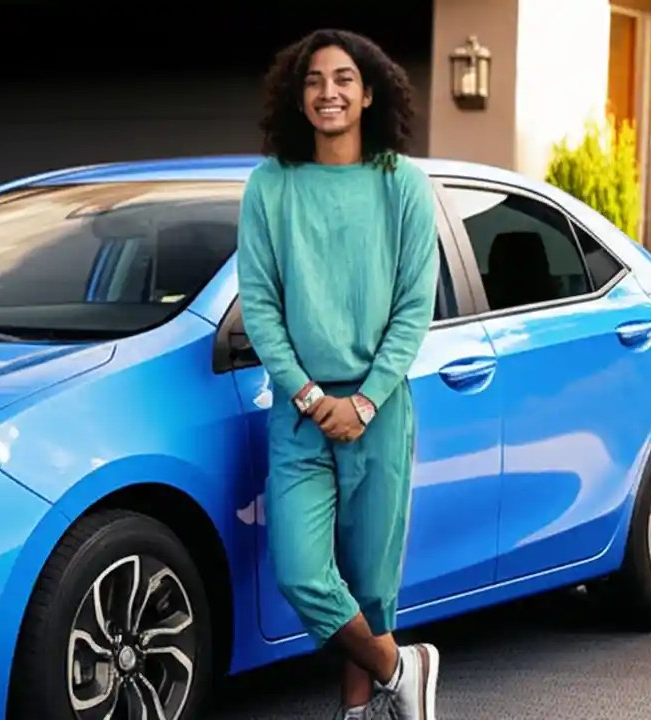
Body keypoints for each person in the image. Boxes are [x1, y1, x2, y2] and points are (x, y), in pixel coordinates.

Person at [236, 28, 441, 720]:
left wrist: (368, 401)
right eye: (315, 80)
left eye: (344, 79)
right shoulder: (270, 187)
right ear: (297, 99)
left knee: (370, 585)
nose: (329, 92)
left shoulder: (402, 185)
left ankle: (358, 711)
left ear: (369, 92)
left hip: (379, 411)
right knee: (302, 573)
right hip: (300, 415)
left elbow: (415, 307)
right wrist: (310, 394)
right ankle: (400, 667)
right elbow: (260, 304)